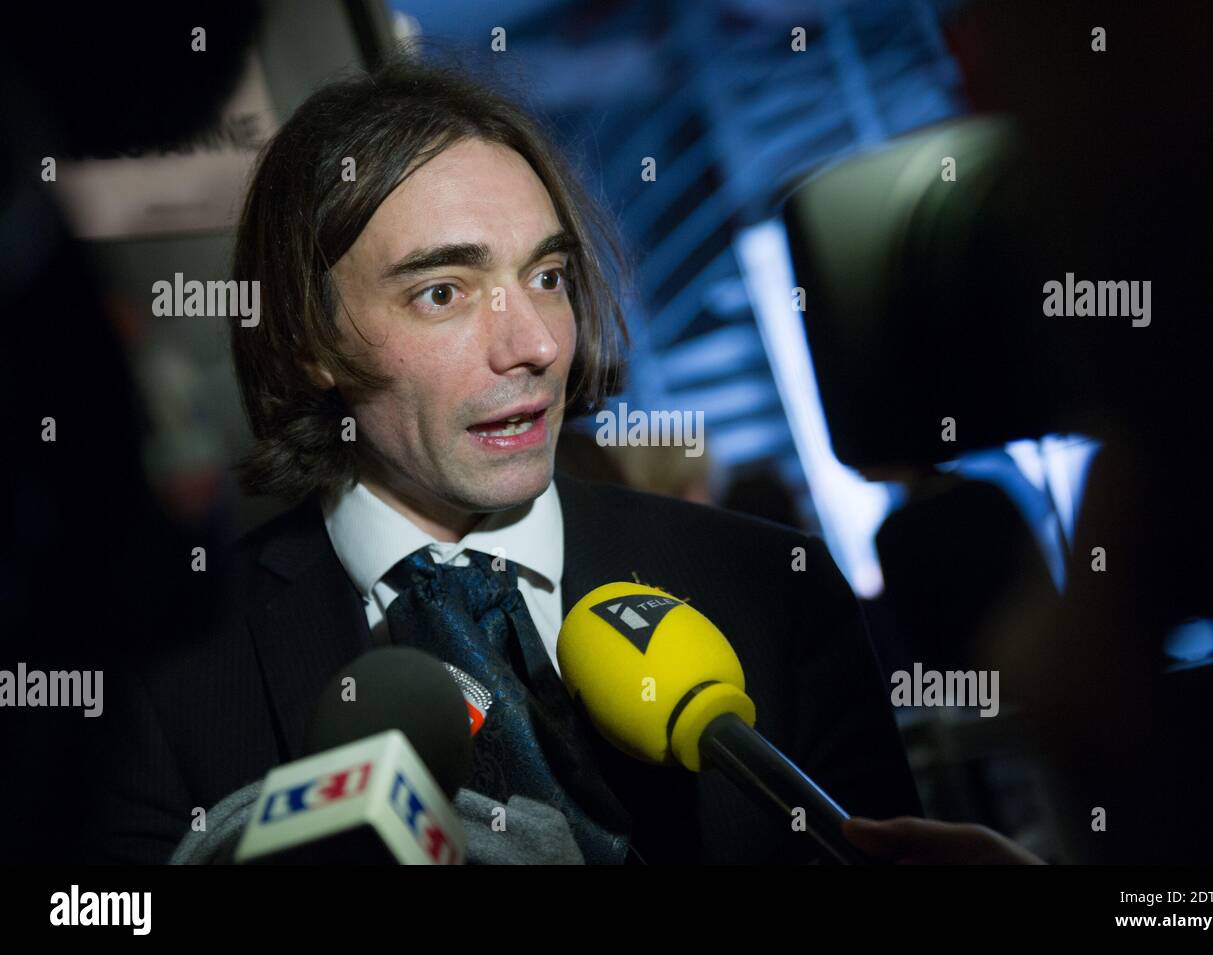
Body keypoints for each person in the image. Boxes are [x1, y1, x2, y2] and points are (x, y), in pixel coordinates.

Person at [91, 58, 919, 864]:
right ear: (312, 338)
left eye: (547, 275)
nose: (536, 344)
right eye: (442, 292)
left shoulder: (777, 590)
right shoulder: (165, 683)